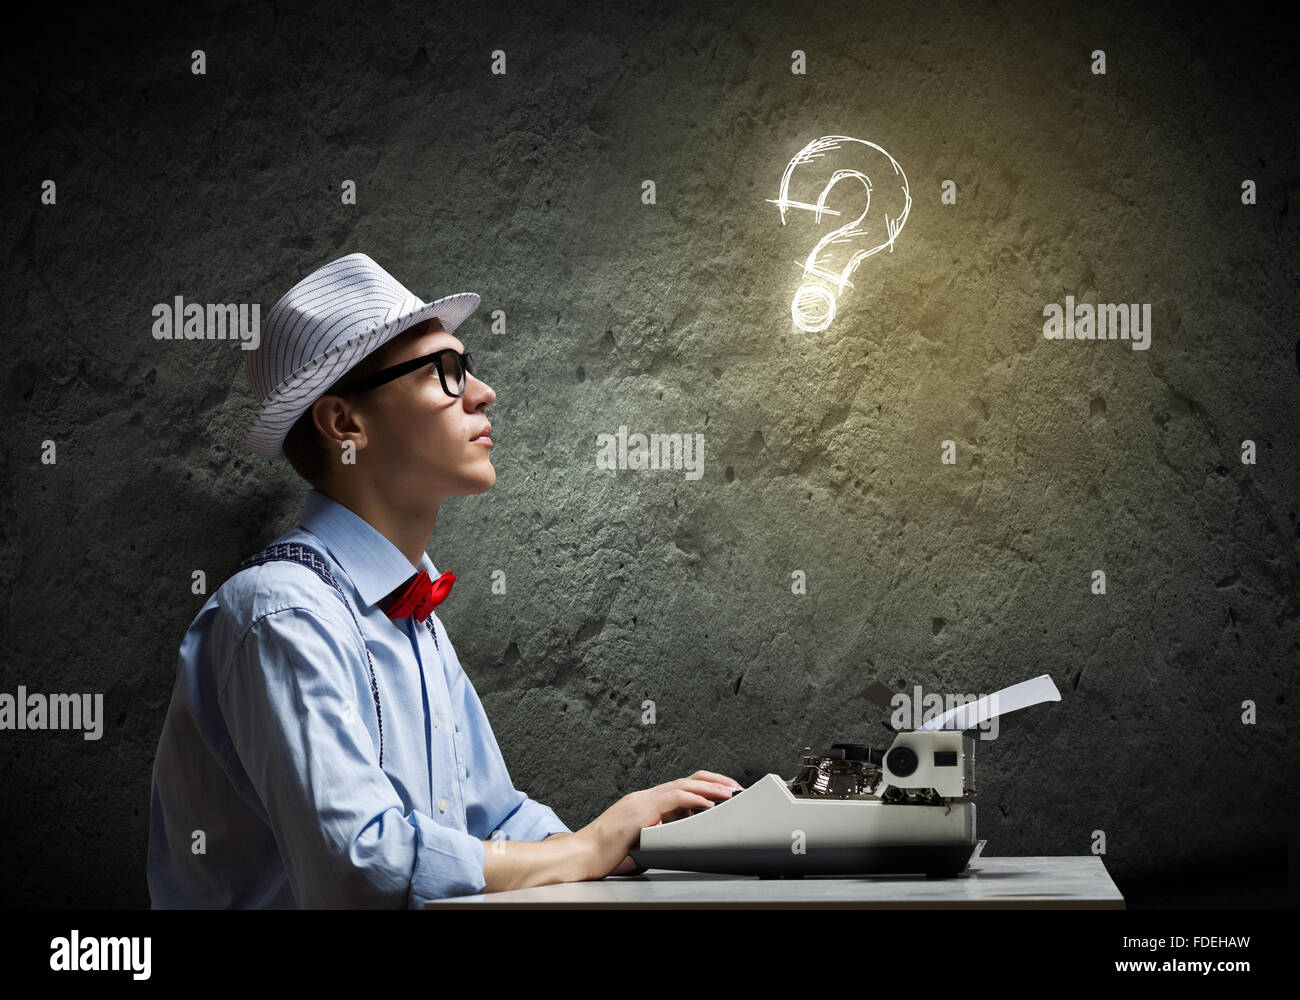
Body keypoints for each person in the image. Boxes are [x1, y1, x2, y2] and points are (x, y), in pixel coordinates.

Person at [146, 253, 741, 907]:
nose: (484, 392)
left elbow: (494, 824)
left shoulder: (410, 602)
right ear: (345, 424)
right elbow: (362, 865)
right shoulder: (280, 613)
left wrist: (640, 849)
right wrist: (585, 848)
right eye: (447, 372)